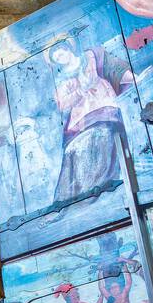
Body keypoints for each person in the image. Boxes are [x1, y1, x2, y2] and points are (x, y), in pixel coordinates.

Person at [48, 38, 134, 204]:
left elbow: (113, 69)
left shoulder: (91, 58)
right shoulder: (63, 79)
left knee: (103, 136)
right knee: (74, 149)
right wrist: (79, 91)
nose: (61, 58)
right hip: (81, 117)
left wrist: (132, 78)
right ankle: (79, 193)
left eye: (61, 53)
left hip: (103, 105)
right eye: (57, 58)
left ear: (68, 49)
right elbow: (62, 103)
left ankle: (102, 182)